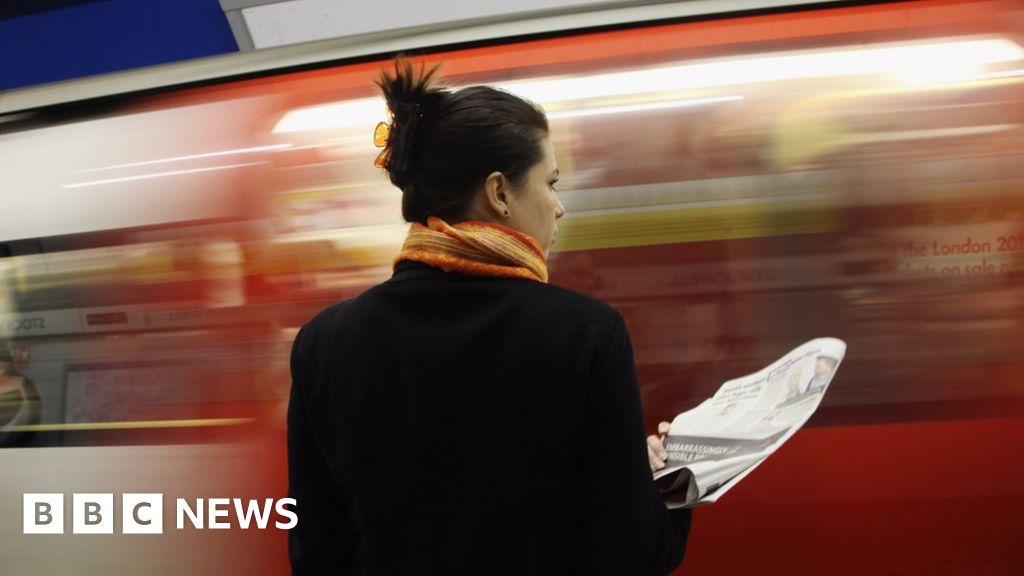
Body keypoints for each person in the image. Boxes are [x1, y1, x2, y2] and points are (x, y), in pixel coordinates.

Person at [287, 59, 692, 575]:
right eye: (551, 182)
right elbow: (632, 554)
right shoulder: (585, 333)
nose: (559, 207)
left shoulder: (324, 343)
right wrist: (673, 479)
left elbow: (316, 549)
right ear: (499, 192)